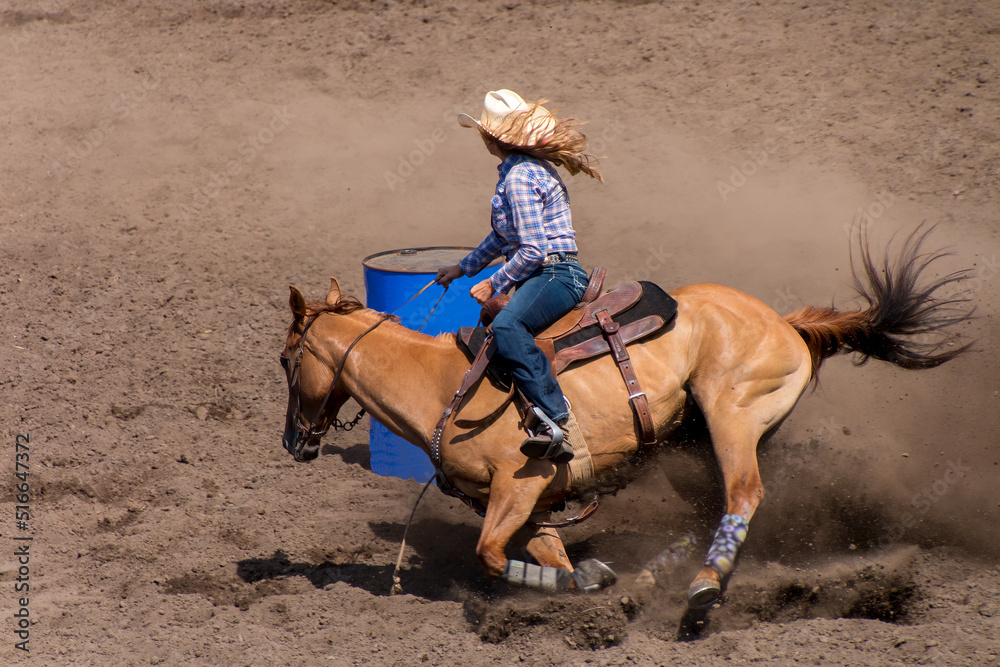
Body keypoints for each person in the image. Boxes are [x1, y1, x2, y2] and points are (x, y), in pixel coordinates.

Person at [436, 89, 602, 463]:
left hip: (556, 274)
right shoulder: (522, 171)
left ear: (488, 137)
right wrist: (463, 268)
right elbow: (503, 235)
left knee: (508, 328)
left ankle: (555, 421)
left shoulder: (519, 178)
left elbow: (532, 250)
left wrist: (495, 282)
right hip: (545, 272)